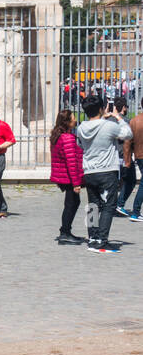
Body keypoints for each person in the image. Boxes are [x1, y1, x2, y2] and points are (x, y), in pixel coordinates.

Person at [75, 98, 134, 253]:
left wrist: (102, 117)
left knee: (93, 205)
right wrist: (118, 117)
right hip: (107, 170)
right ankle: (101, 240)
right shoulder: (109, 126)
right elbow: (127, 134)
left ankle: (93, 237)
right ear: (102, 108)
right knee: (109, 206)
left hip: (89, 170)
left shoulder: (81, 127)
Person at [48, 109, 85, 245]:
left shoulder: (57, 135)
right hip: (69, 177)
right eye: (73, 117)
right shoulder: (67, 138)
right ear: (68, 121)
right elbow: (71, 162)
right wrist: (76, 183)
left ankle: (66, 231)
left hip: (63, 175)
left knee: (72, 203)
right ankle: (64, 233)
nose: (75, 119)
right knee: (71, 204)